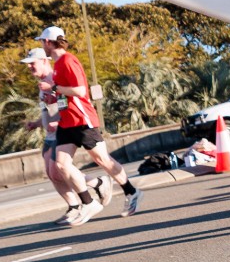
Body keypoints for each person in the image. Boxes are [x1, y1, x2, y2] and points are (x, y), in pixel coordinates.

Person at [36, 26, 141, 222]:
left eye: (42, 42)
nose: (42, 45)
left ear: (49, 42)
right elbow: (66, 93)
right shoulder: (58, 64)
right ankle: (89, 202)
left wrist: (54, 87)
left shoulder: (68, 60)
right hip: (67, 122)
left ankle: (131, 192)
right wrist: (55, 98)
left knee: (103, 160)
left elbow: (81, 91)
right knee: (61, 164)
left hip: (82, 120)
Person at [22, 48, 111, 225]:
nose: (30, 67)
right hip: (49, 134)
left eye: (33, 63)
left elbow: (66, 105)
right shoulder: (42, 84)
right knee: (52, 173)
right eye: (28, 64)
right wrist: (38, 123)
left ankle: (96, 184)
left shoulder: (54, 81)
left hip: (62, 132)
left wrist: (59, 122)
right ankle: (73, 206)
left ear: (44, 61)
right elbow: (48, 110)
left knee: (60, 169)